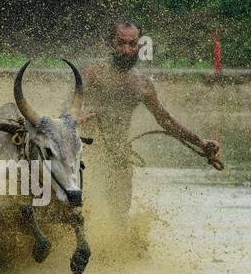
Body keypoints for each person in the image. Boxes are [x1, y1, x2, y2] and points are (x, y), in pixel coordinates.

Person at [76, 20, 222, 228]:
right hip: (86, 151)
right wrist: (76, 115)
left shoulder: (142, 84)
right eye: (121, 43)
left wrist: (200, 142)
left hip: (119, 155)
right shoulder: (92, 73)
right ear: (112, 43)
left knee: (120, 215)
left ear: (139, 46)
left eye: (132, 44)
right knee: (77, 206)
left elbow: (166, 120)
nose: (126, 49)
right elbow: (69, 106)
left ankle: (116, 251)